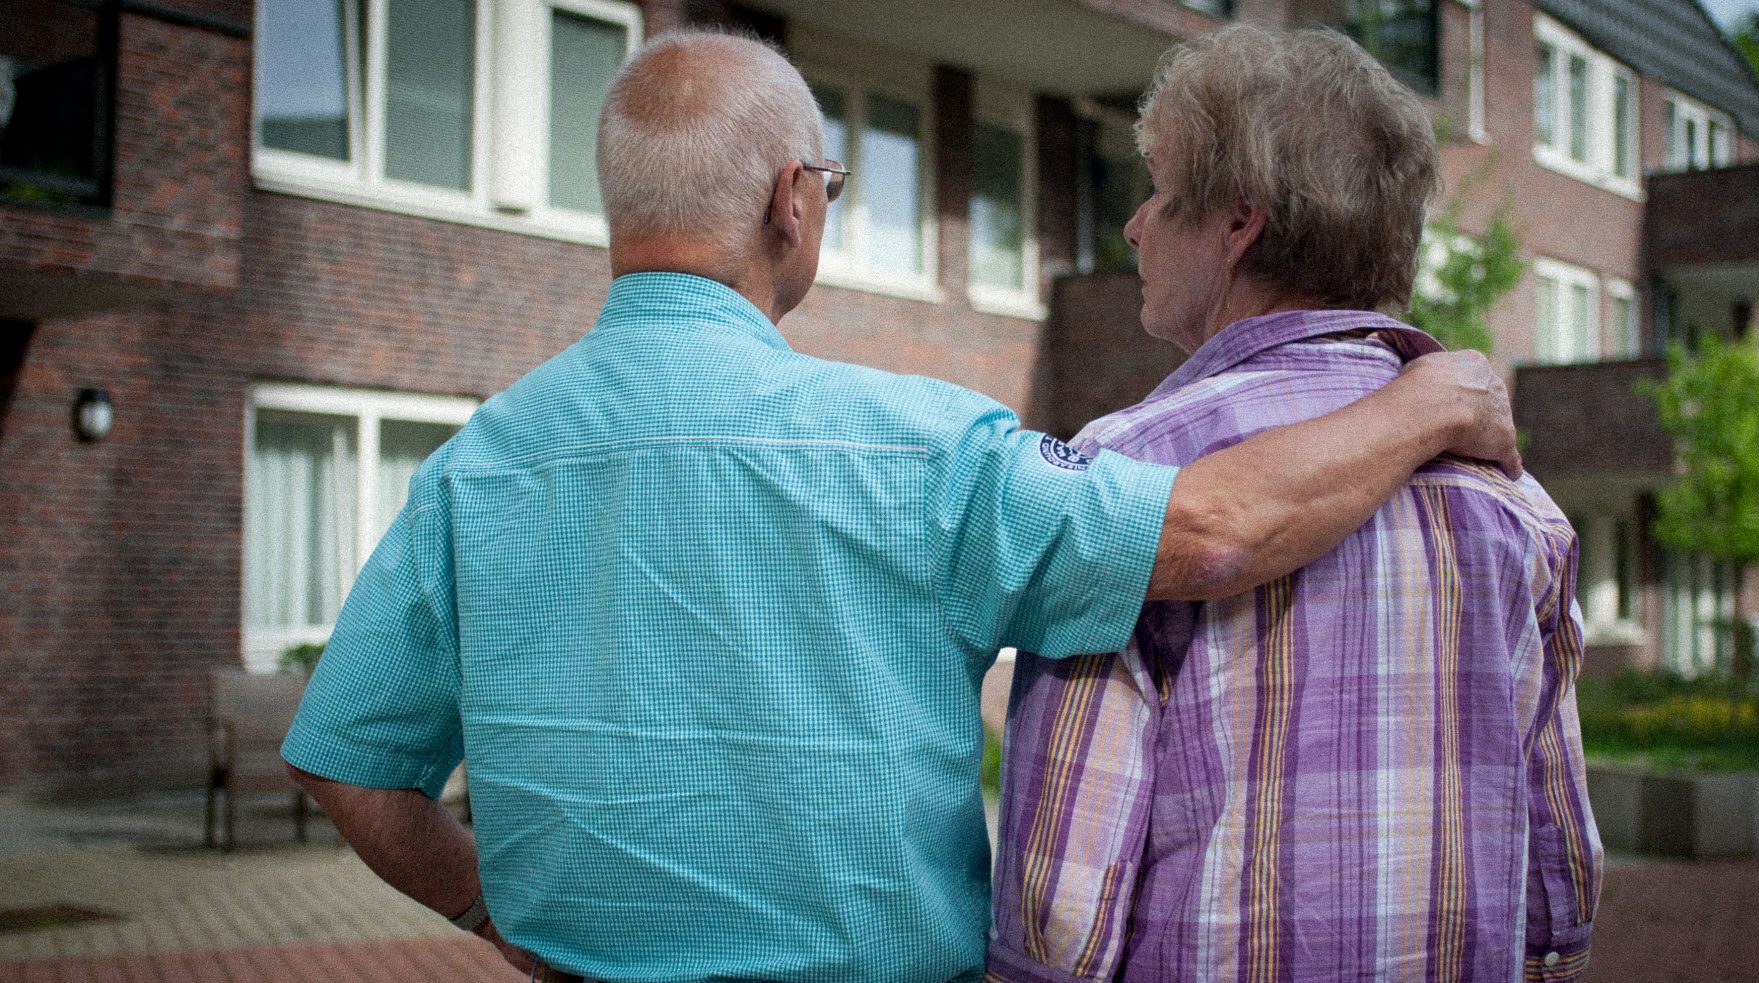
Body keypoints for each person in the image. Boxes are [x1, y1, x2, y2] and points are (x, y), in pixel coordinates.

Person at [282, 27, 1522, 983]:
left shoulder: (479, 465)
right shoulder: (915, 445)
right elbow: (1205, 531)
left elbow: (348, 765)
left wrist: (486, 907)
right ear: (791, 200)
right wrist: (1428, 403)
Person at [990, 24, 1602, 983]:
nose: (1133, 223)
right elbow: (1558, 886)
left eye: (1156, 190)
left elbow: (1060, 905)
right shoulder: (1515, 501)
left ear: (1238, 223)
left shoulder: (1129, 477)